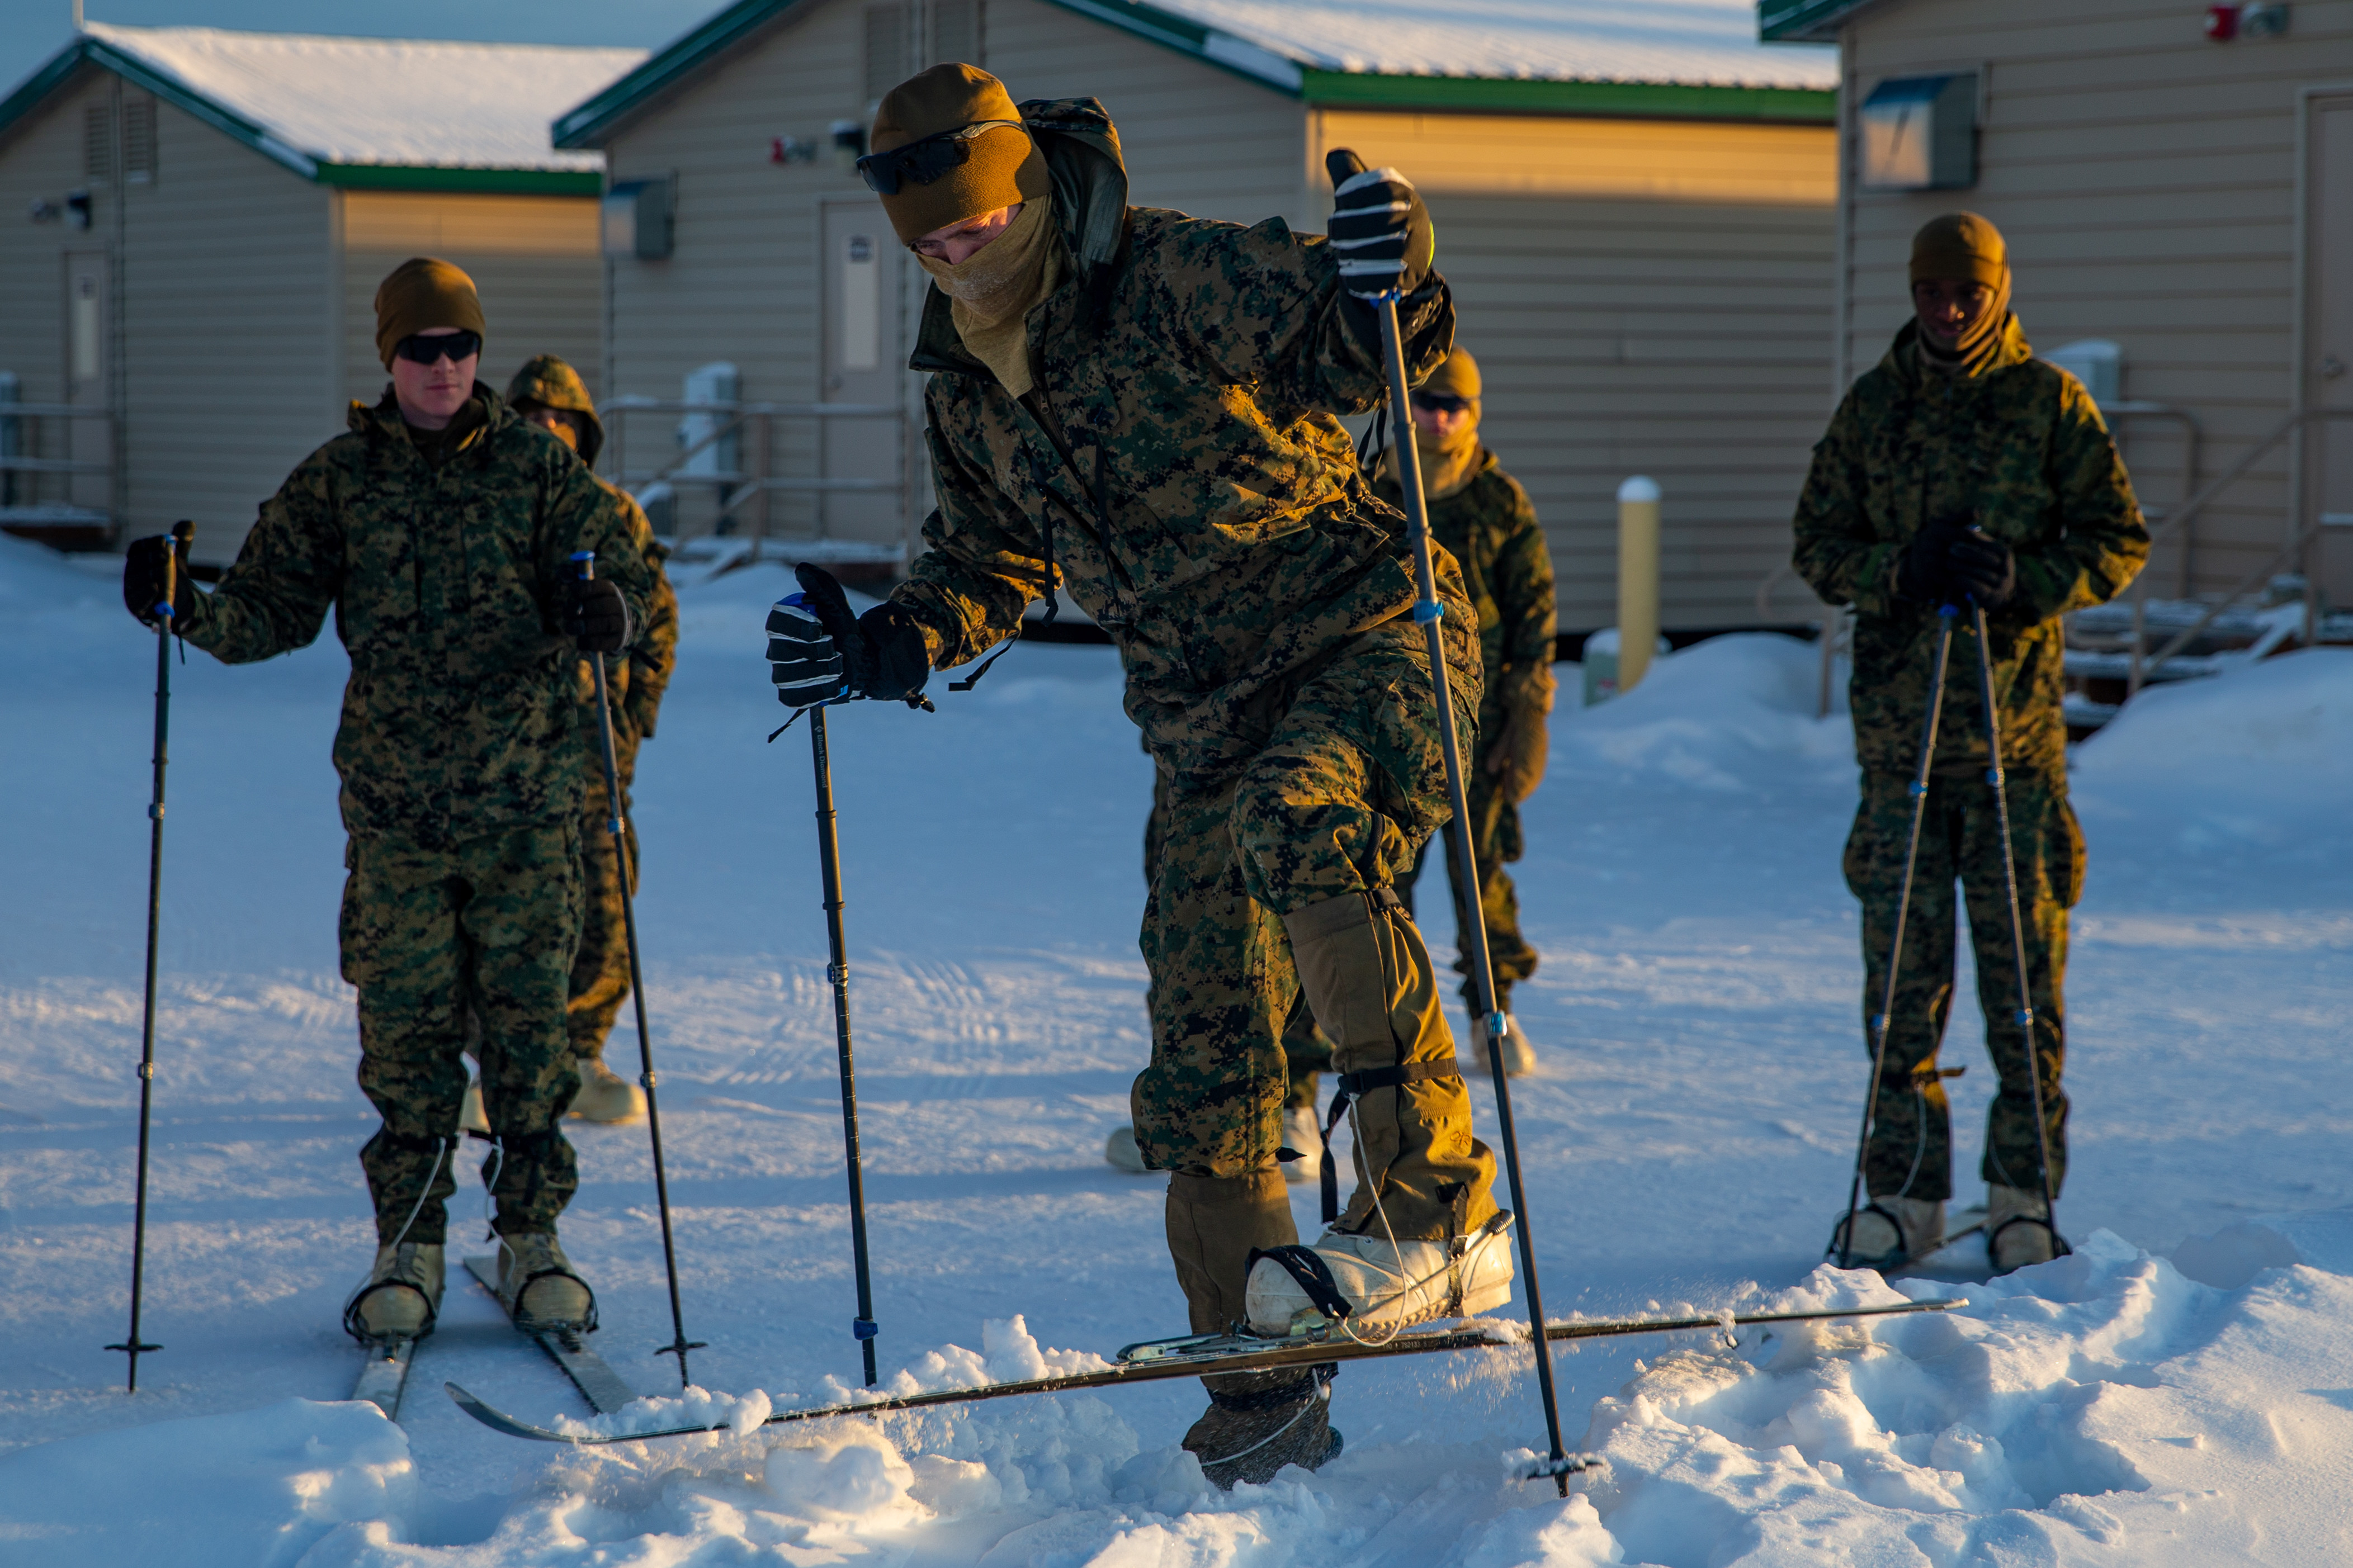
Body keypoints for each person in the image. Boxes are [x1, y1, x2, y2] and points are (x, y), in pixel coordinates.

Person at [764, 67, 1511, 1486]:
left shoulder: (1170, 272)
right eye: (928, 247)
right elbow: (989, 561)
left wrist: (1389, 281)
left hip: (1366, 628)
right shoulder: (968, 380)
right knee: (1208, 1056)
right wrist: (890, 642)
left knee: (1306, 813)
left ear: (1026, 189)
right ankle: (1260, 1376)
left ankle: (1434, 1204)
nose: (956, 261)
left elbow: (1355, 344)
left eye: (974, 230)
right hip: (1196, 714)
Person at [120, 258, 656, 1343]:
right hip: (398, 808)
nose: (445, 366)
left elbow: (630, 578)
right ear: (390, 358)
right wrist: (184, 606)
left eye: (461, 346)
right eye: (423, 348)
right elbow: (268, 610)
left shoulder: (538, 471)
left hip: (527, 804)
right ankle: (407, 1241)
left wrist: (607, 608)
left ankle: (530, 1237)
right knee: (405, 1035)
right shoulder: (340, 480)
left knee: (528, 1035)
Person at [1792, 212, 2147, 1275]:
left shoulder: (2048, 406)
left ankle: (2021, 1194)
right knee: (1902, 987)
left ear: (1997, 292)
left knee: (2022, 988)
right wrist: (1899, 567)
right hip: (1900, 753)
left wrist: (2027, 583)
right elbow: (1818, 543)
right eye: (1932, 293)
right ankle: (1905, 1197)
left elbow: (2118, 537)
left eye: (1967, 294)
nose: (1948, 312)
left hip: (2013, 754)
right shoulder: (1875, 408)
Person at [470, 354, 680, 1128]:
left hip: (593, 755)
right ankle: (504, 1066)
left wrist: (633, 717)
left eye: (561, 420)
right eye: (531, 419)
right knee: (503, 909)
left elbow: (657, 620)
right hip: (502, 759)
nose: (547, 433)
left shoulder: (614, 513)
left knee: (604, 900)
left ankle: (580, 1054)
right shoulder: (483, 511)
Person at [1371, 347, 1555, 1075]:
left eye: (1454, 406)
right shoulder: (1376, 486)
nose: (1438, 419)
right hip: (1388, 715)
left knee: (1479, 872)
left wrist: (1530, 713)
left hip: (1478, 720)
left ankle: (1492, 1011)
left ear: (1474, 413)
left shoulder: (1499, 500)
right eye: (1426, 402)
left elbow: (1535, 611)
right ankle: (1395, 1020)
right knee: (1387, 876)